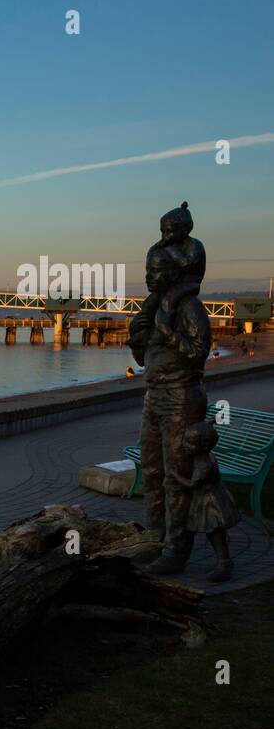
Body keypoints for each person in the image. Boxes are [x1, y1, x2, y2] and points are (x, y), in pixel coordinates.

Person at [129, 234, 212, 575]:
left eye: (156, 269)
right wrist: (139, 337)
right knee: (151, 470)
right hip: (155, 397)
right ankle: (154, 534)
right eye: (147, 268)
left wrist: (167, 332)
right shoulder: (155, 307)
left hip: (180, 399)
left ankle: (177, 549)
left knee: (176, 475)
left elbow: (197, 354)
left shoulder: (188, 308)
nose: (149, 275)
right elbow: (145, 359)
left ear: (174, 272)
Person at [173, 420, 239, 581]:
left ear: (203, 446)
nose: (185, 445)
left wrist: (175, 475)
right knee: (213, 534)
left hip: (211, 503)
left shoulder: (204, 464)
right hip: (211, 498)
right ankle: (223, 561)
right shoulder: (205, 456)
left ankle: (224, 563)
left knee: (216, 532)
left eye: (190, 442)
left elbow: (193, 484)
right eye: (185, 440)